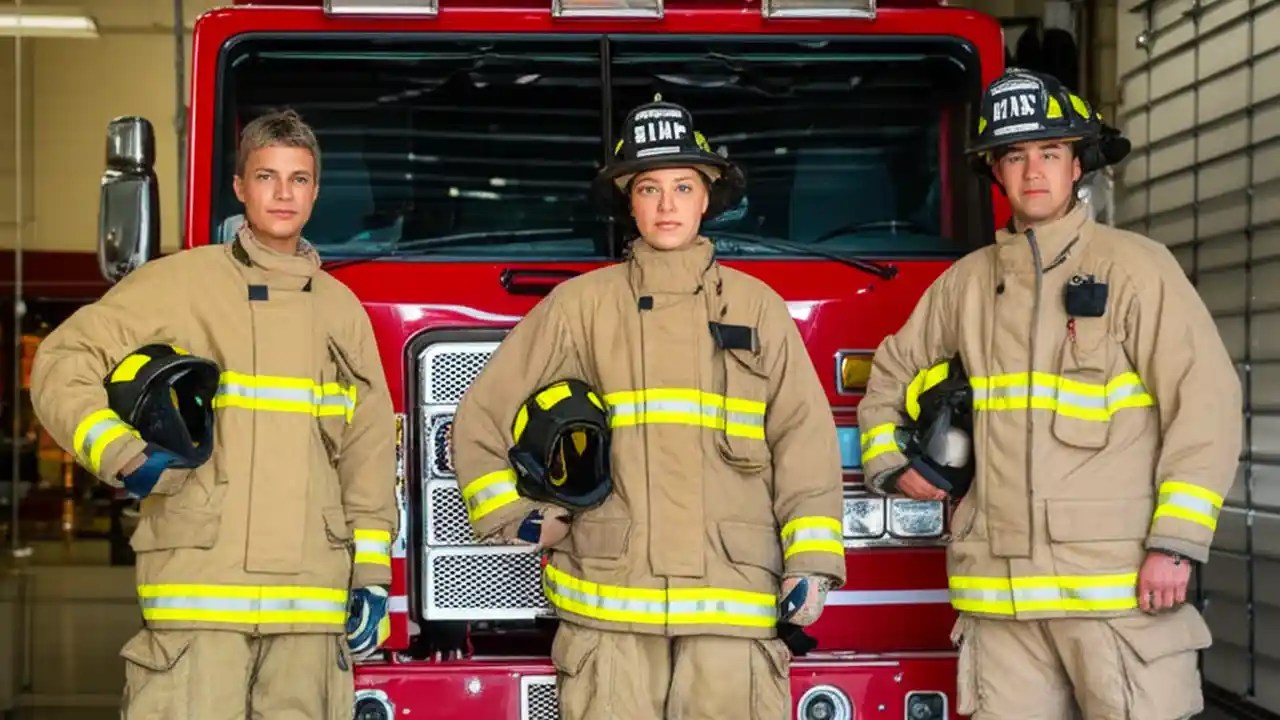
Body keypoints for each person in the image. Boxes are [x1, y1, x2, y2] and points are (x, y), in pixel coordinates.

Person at [857, 67, 1242, 720]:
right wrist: (891, 467)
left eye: (1050, 152)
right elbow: (887, 377)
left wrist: (1175, 544)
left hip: (1115, 593)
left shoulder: (1137, 270)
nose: (1033, 171)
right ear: (995, 172)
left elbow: (1204, 405)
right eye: (1015, 155)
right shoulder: (964, 286)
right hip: (1000, 602)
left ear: (1077, 165)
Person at [450, 97, 846, 719]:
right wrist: (519, 518)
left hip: (732, 608)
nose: (666, 205)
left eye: (682, 187)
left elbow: (804, 443)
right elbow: (481, 418)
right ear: (627, 201)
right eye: (649, 188)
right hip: (609, 610)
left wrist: (813, 564)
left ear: (707, 197)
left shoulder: (757, 307)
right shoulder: (579, 307)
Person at [28, 109, 399, 719]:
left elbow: (366, 452)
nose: (283, 194)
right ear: (239, 188)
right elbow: (64, 359)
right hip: (199, 597)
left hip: (307, 604)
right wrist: (122, 454)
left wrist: (371, 577)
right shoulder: (176, 286)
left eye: (299, 179)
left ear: (315, 190)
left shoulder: (341, 312)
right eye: (267, 177)